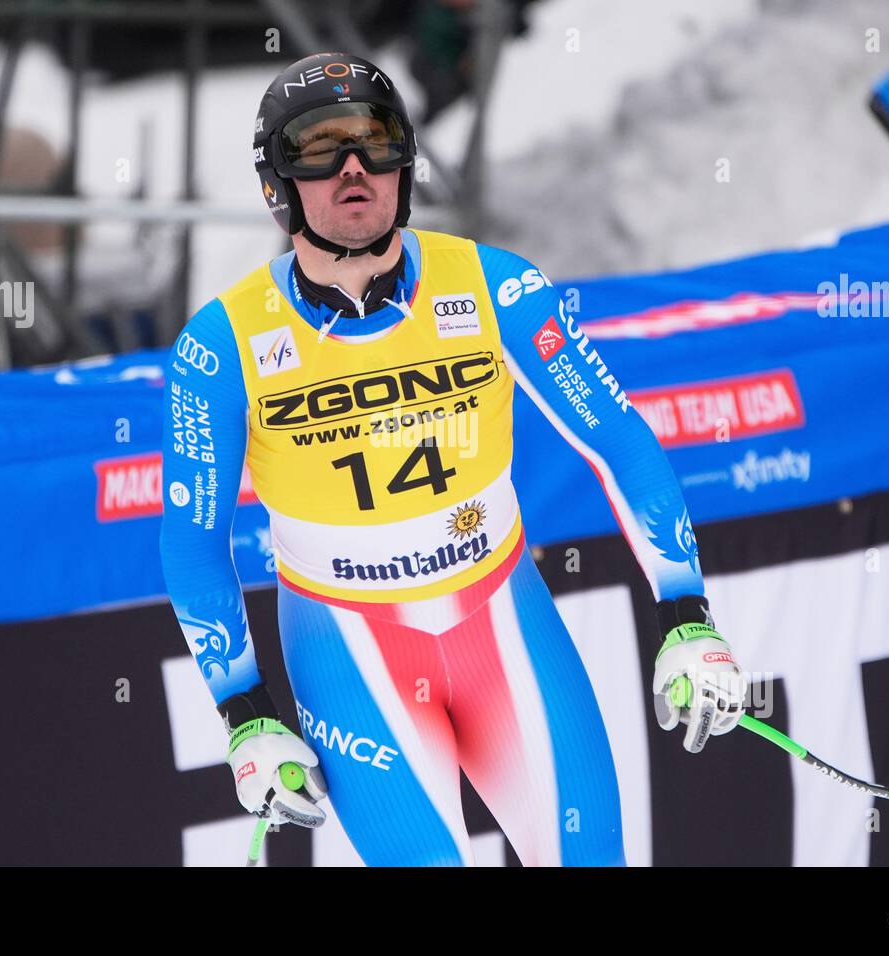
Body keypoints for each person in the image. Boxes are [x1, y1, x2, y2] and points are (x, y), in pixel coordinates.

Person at [159, 52, 747, 866]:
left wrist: (686, 615)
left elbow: (618, 440)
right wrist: (246, 712)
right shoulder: (220, 346)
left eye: (376, 141)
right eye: (321, 150)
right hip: (350, 653)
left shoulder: (496, 286)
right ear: (277, 185)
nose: (354, 169)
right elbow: (193, 541)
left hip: (505, 623)